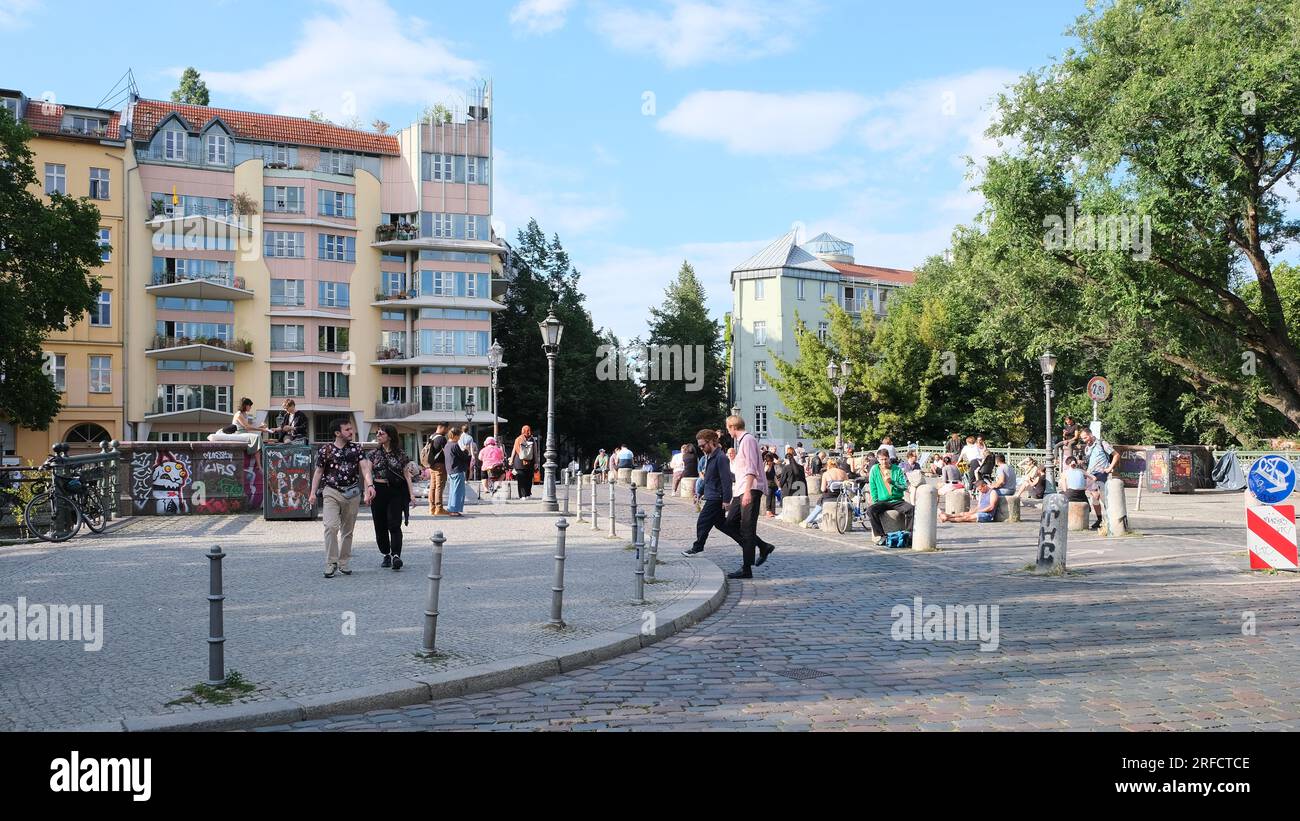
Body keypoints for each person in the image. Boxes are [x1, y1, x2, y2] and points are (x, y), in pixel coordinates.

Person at [308, 419, 374, 578]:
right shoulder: (326, 450)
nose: (351, 432)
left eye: (351, 429)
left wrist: (370, 485)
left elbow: (365, 467)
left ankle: (343, 562)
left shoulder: (356, 448)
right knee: (330, 526)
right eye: (347, 429)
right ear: (337, 433)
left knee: (347, 531)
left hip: (352, 493)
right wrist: (312, 493)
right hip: (331, 492)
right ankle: (331, 563)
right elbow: (318, 472)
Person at [720, 414, 776, 579]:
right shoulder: (742, 441)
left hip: (750, 488)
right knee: (729, 523)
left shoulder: (748, 440)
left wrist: (747, 492)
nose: (727, 431)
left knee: (747, 528)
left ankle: (746, 568)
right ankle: (762, 546)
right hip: (741, 489)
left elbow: (751, 467)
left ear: (732, 427)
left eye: (727, 428)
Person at [368, 424, 415, 571]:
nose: (378, 435)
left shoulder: (400, 454)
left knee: (394, 524)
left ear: (390, 436)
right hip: (378, 491)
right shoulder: (373, 454)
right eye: (378, 433)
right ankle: (386, 554)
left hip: (396, 491)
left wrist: (412, 494)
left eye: (381, 433)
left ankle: (396, 555)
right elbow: (367, 474)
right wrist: (367, 491)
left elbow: (407, 475)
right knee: (380, 524)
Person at [682, 429, 733, 556]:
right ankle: (754, 542)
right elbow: (707, 478)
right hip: (711, 495)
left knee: (703, 521)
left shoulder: (721, 458)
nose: (701, 448)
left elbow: (726, 480)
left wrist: (727, 500)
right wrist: (699, 492)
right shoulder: (709, 457)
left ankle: (697, 547)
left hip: (716, 497)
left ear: (711, 442)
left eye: (703, 445)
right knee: (722, 525)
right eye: (699, 446)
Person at [866, 447, 914, 545]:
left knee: (911, 509)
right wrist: (875, 500)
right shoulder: (875, 470)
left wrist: (892, 482)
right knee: (871, 511)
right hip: (882, 500)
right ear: (878, 460)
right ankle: (882, 535)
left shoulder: (897, 469)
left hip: (897, 500)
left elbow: (904, 486)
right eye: (881, 459)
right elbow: (873, 486)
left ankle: (908, 534)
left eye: (885, 459)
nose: (884, 461)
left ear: (889, 458)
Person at [1080, 428, 1119, 530]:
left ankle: (1111, 518)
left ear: (1091, 434)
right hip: (1091, 474)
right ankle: (1099, 519)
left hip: (1101, 473)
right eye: (1082, 439)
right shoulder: (1087, 448)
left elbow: (1116, 455)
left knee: (1103, 497)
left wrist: (1109, 468)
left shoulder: (1102, 443)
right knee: (1095, 498)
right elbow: (1089, 462)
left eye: (1085, 437)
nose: (1084, 440)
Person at [802, 459, 848, 528]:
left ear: (828, 466)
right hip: (840, 496)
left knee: (819, 503)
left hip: (829, 496)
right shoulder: (843, 472)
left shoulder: (826, 473)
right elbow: (846, 484)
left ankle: (807, 521)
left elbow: (823, 489)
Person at [421, 423, 449, 515]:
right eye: (446, 429)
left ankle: (431, 508)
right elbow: (446, 453)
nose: (447, 431)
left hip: (432, 465)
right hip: (440, 465)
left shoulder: (432, 437)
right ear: (441, 427)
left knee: (433, 487)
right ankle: (439, 508)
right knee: (439, 487)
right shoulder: (441, 438)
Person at [444, 426, 471, 515]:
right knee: (458, 491)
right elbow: (464, 457)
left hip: (450, 470)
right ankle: (455, 510)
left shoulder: (447, 445)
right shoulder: (455, 445)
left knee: (453, 490)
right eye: (459, 436)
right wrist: (466, 451)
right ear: (455, 436)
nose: (459, 438)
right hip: (457, 470)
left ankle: (450, 508)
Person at [511, 425, 539, 498]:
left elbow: (514, 450)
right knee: (529, 479)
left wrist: (511, 460)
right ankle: (528, 494)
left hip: (519, 462)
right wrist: (536, 462)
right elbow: (535, 452)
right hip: (530, 461)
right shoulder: (533, 440)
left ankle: (522, 496)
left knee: (521, 480)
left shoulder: (518, 439)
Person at [762, 451, 779, 518]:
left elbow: (774, 476)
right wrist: (767, 468)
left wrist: (778, 484)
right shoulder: (765, 466)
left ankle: (772, 511)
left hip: (773, 483)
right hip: (767, 484)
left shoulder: (772, 466)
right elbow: (763, 475)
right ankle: (768, 511)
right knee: (769, 497)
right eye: (770, 462)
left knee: (773, 497)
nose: (771, 463)